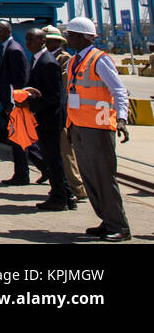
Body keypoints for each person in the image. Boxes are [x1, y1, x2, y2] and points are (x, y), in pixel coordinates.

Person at [62, 17, 131, 241]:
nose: (67, 37)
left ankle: (120, 226)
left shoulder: (99, 60)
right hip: (80, 126)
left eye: (70, 34)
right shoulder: (74, 61)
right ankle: (107, 220)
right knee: (90, 177)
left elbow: (119, 91)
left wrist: (121, 118)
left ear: (83, 37)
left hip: (99, 128)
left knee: (104, 177)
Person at [20, 27, 72, 211]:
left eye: (30, 40)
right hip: (44, 117)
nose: (27, 43)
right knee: (52, 158)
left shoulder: (48, 62)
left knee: (53, 159)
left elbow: (53, 96)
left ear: (42, 42)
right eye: (26, 39)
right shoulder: (38, 60)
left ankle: (60, 198)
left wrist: (31, 105)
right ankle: (67, 195)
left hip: (49, 118)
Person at [45, 25, 87, 205]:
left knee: (65, 151)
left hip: (63, 112)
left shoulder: (65, 60)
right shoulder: (49, 58)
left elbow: (64, 87)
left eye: (46, 41)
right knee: (56, 151)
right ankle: (63, 185)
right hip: (54, 111)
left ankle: (77, 188)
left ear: (55, 42)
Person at [0, 20, 32, 186]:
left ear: (9, 31)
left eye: (0, 30)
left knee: (19, 140)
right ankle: (24, 172)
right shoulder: (7, 49)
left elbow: (19, 79)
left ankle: (23, 174)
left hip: (16, 103)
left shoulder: (13, 50)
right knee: (17, 139)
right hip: (12, 102)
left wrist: (16, 101)